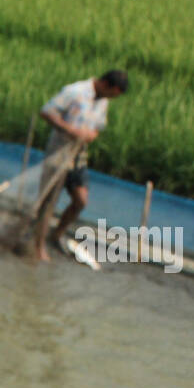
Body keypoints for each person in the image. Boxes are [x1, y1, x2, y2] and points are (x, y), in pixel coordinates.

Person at [30, 70, 128, 262]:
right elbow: (47, 111)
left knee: (81, 200)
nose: (111, 99)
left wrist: (91, 135)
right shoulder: (75, 91)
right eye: (113, 94)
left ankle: (56, 234)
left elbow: (98, 127)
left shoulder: (102, 101)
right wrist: (70, 130)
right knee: (49, 202)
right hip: (58, 154)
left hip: (78, 156)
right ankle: (38, 246)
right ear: (108, 86)